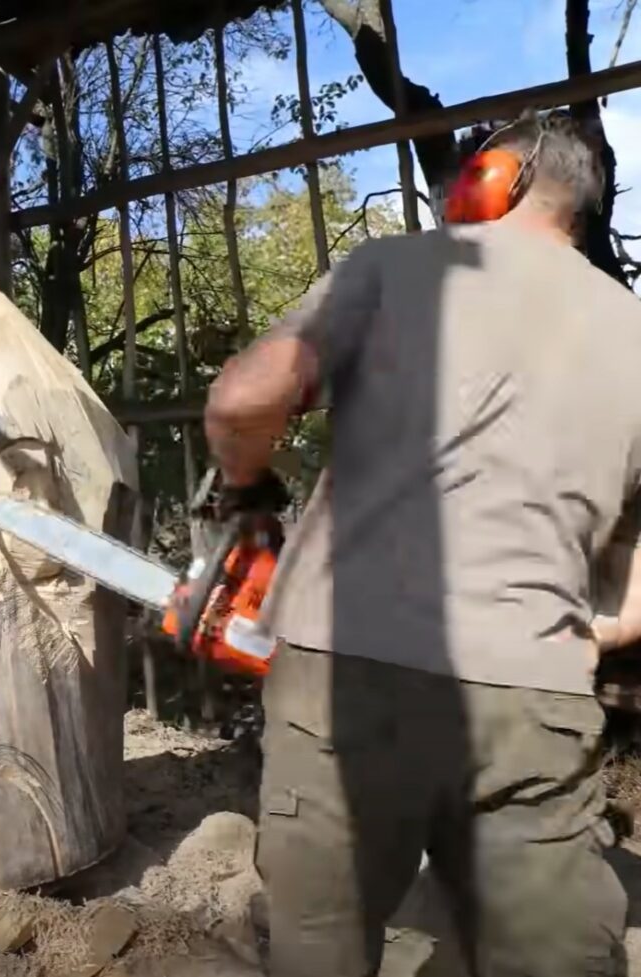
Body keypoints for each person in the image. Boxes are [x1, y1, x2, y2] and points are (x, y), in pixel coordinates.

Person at [204, 111, 641, 977]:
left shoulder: (397, 268)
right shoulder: (634, 329)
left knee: (320, 948)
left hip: (343, 674)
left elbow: (240, 401)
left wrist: (247, 492)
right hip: (532, 695)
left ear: (499, 181)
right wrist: (592, 634)